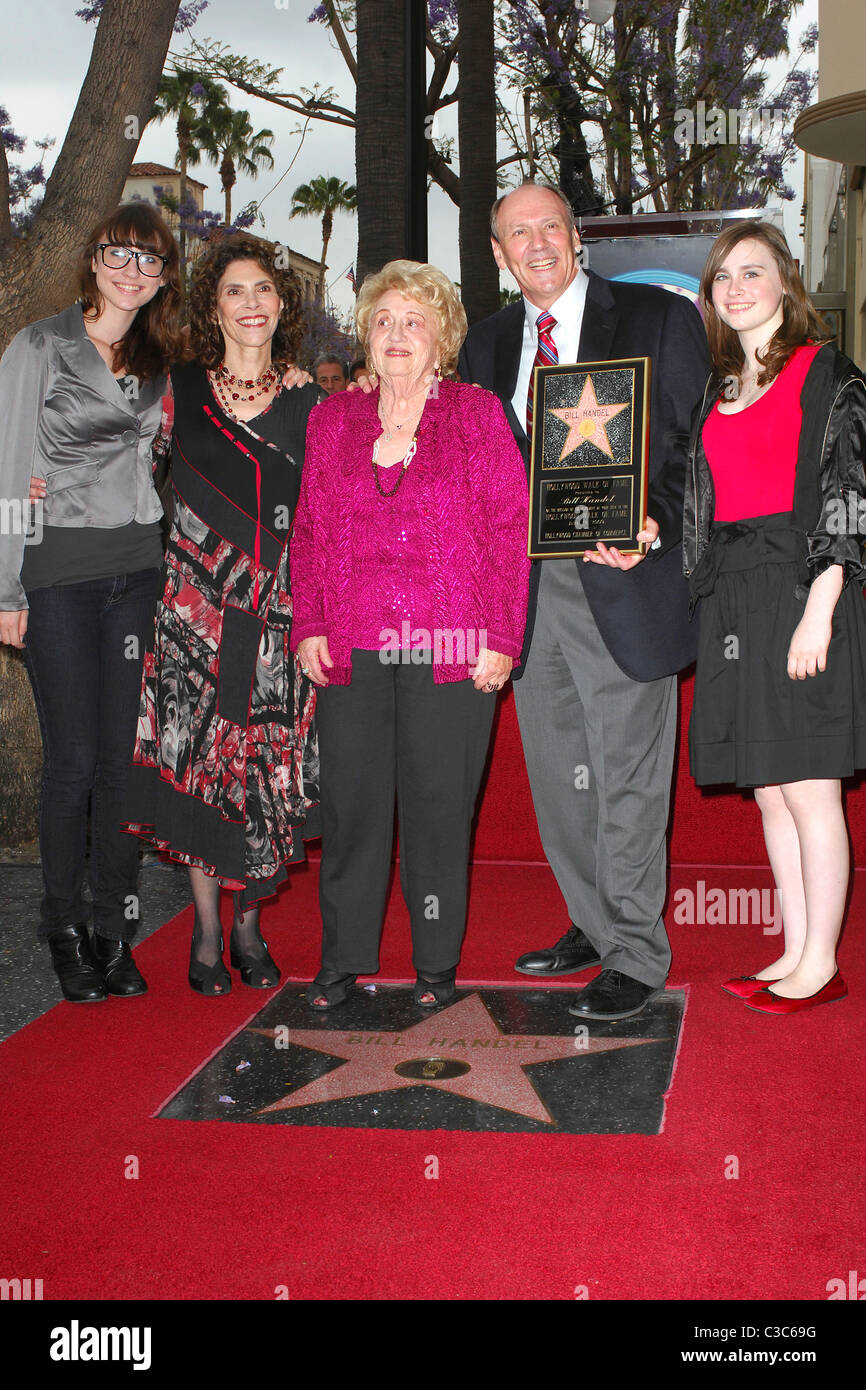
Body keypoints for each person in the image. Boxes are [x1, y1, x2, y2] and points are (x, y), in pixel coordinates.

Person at [458, 181, 709, 1021]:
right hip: (525, 591)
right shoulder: (486, 346)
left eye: (549, 227)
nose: (535, 243)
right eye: (516, 233)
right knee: (562, 777)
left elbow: (688, 447)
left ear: (576, 237)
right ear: (498, 255)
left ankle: (637, 950)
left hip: (622, 575)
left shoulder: (654, 318)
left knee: (628, 772)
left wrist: (653, 521)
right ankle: (595, 924)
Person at [290, 259, 529, 1009]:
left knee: (436, 808)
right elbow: (308, 530)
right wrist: (309, 624)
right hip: (353, 642)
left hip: (453, 644)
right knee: (353, 808)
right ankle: (343, 959)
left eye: (414, 322)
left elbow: (508, 527)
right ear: (366, 334)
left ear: (442, 338)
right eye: (384, 321)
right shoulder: (333, 418)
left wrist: (503, 635)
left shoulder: (478, 415)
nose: (397, 334)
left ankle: (434, 965)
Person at [122, 235, 321, 995]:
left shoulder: (310, 401)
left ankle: (248, 925)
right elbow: (124, 474)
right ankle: (206, 933)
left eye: (264, 290)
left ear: (282, 304)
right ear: (214, 307)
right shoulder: (176, 388)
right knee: (205, 769)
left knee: (263, 775)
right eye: (235, 291)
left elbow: (334, 509)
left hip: (277, 620)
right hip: (192, 620)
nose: (251, 304)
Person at [683, 220, 866, 1014]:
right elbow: (698, 503)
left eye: (754, 272)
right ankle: (794, 944)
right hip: (735, 597)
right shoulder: (717, 391)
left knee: (811, 785)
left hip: (804, 589)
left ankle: (820, 963)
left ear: (786, 283)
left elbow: (849, 493)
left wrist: (821, 609)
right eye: (724, 277)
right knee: (771, 790)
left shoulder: (828, 373)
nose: (738, 288)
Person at [0, 203, 182, 1003]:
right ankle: (63, 926)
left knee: (119, 762)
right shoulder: (42, 343)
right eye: (121, 254)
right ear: (95, 257)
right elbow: (8, 473)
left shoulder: (158, 359)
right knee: (71, 759)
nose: (132, 272)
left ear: (164, 278)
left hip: (138, 570)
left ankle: (114, 929)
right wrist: (5, 584)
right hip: (58, 571)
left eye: (150, 262)